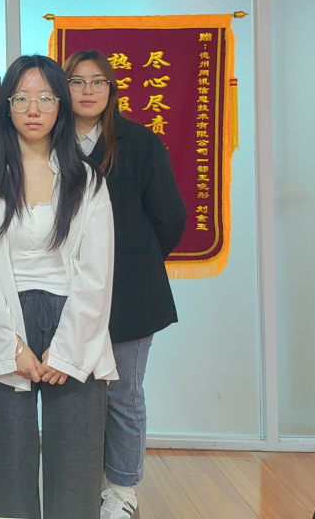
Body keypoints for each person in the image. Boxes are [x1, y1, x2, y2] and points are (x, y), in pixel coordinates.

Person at [0, 55, 116, 519]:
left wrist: (67, 350)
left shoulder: (87, 180)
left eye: (46, 98)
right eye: (22, 98)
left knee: (77, 468)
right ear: (6, 106)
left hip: (75, 322)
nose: (33, 108)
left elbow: (97, 274)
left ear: (61, 106)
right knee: (13, 469)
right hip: (7, 323)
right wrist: (12, 346)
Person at [63, 50, 186, 519]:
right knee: (78, 393)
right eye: (77, 81)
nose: (88, 90)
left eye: (98, 81)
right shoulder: (50, 143)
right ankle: (85, 480)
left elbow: (170, 218)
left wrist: (136, 257)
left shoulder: (140, 141)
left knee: (123, 394)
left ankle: (122, 487)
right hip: (66, 290)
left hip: (129, 292)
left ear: (111, 90)